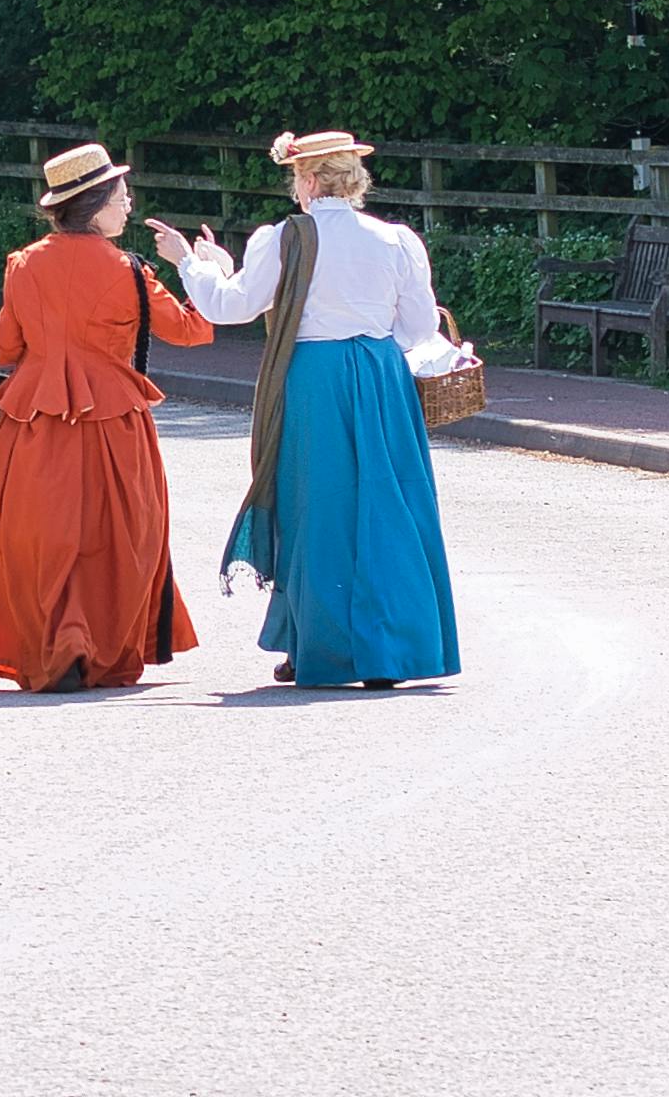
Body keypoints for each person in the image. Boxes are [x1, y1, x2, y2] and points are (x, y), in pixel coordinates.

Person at [154, 129, 464, 689]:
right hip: (378, 374)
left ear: (310, 178)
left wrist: (193, 264)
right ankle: (391, 648)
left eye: (296, 177)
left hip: (313, 378)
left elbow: (231, 306)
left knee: (315, 509)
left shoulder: (281, 238)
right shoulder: (396, 240)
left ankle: (317, 646)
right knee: (387, 504)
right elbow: (418, 328)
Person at [0, 144, 213, 692]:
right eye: (121, 197)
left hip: (36, 418)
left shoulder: (24, 264)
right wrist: (207, 271)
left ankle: (58, 643)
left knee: (37, 535)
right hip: (113, 417)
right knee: (120, 535)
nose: (129, 204)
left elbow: (7, 345)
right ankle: (95, 643)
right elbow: (192, 331)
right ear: (95, 207)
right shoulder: (131, 272)